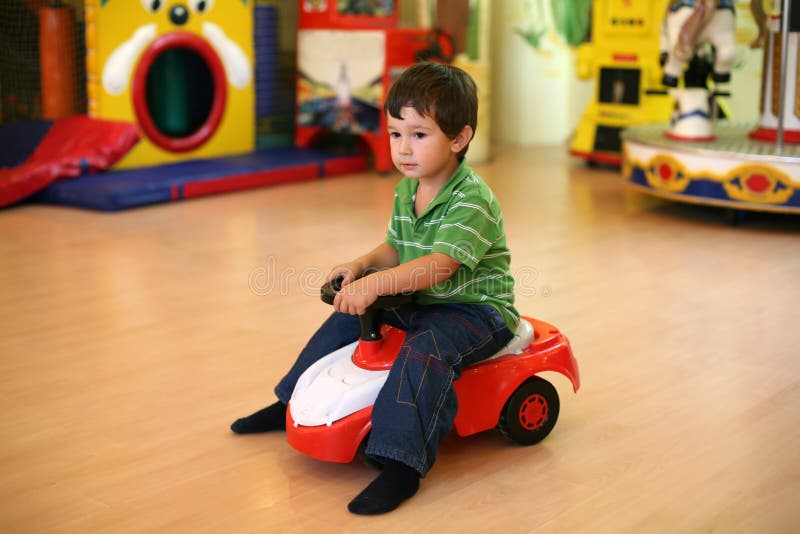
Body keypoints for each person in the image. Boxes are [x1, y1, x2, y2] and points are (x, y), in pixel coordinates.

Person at [231, 62, 519, 515]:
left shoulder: (471, 200)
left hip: (474, 309)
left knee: (426, 348)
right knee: (348, 315)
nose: (403, 149)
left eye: (419, 135)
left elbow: (438, 266)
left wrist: (380, 284)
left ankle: (402, 463)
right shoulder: (409, 188)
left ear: (459, 139)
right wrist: (363, 265)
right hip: (421, 298)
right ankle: (290, 401)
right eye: (394, 134)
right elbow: (396, 247)